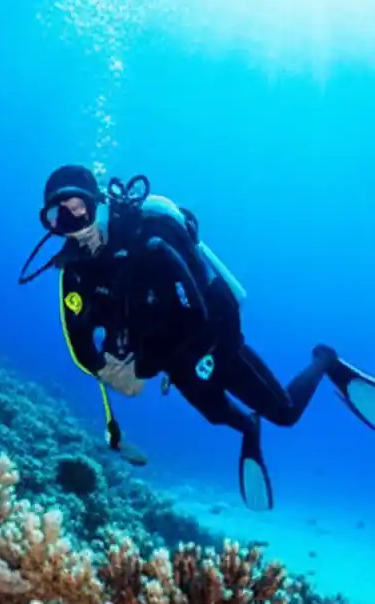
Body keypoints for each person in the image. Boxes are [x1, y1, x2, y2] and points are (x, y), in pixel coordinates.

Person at [19, 164, 375, 511]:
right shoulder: (76, 271)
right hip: (174, 362)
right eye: (58, 216)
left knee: (284, 414)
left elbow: (194, 315)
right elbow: (77, 337)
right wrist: (103, 369)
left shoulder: (150, 241)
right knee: (220, 416)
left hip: (215, 340)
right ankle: (250, 430)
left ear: (97, 204)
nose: (73, 224)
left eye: (79, 208)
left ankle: (325, 360)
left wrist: (140, 369)